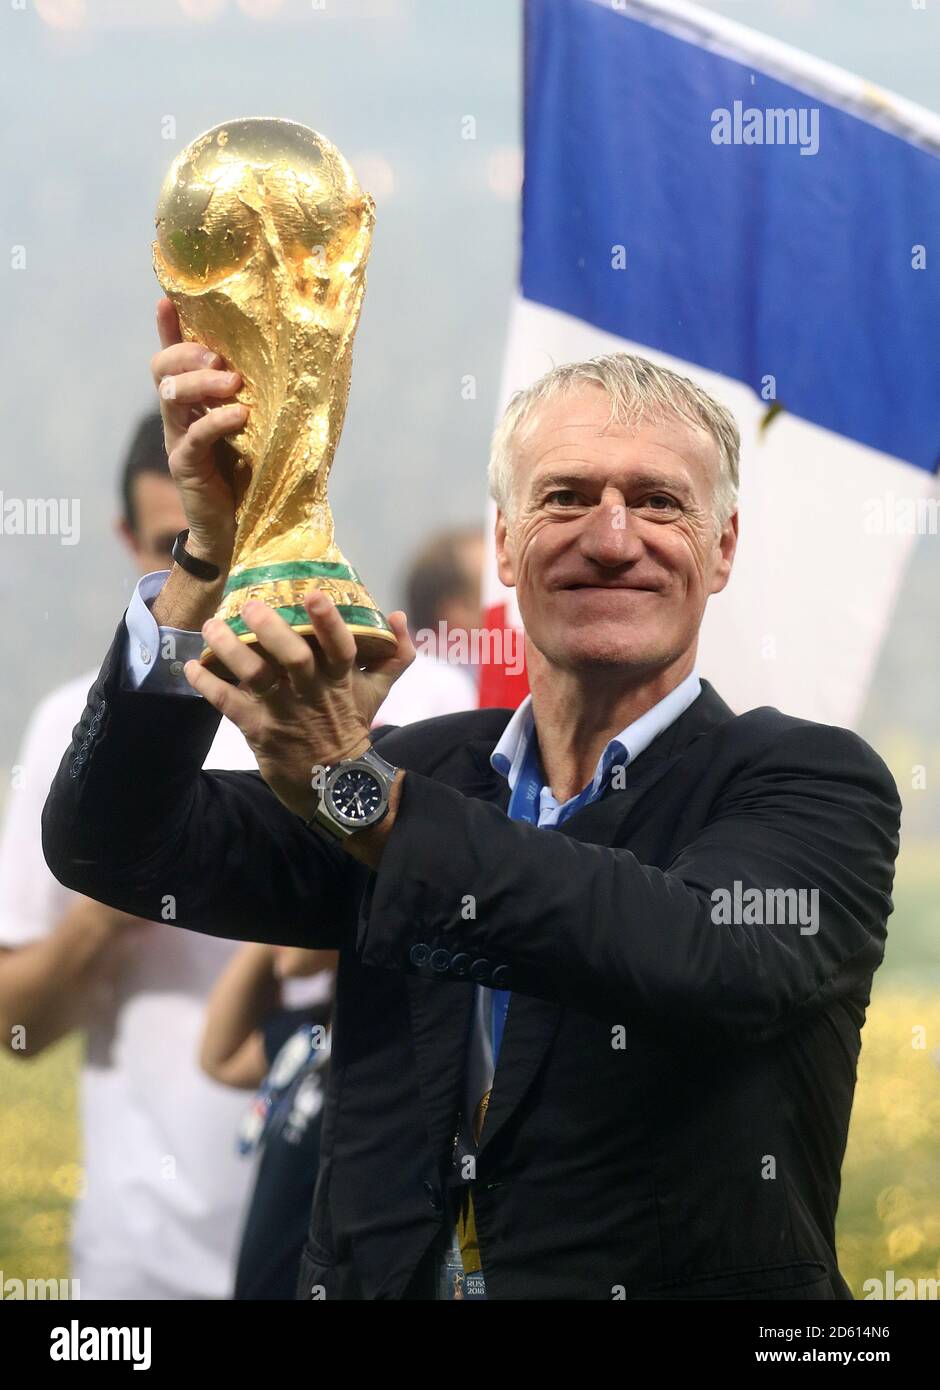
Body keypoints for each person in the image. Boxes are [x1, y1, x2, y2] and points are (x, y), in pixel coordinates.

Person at [42, 302, 901, 1300]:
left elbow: (701, 952)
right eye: (566, 497)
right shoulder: (421, 767)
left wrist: (352, 788)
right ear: (503, 542)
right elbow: (113, 845)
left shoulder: (809, 782)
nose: (612, 537)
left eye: (659, 502)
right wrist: (206, 557)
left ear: (721, 550)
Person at [0, 412, 267, 1299]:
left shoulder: (349, 716)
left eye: (232, 535)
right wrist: (117, 882)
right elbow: (17, 1028)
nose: (215, 567)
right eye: (181, 543)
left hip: (323, 1231)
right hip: (137, 1263)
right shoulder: (75, 733)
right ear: (129, 541)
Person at [199, 944, 336, 1301]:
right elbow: (220, 1058)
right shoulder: (312, 1030)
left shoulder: (387, 1054)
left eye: (298, 892)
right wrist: (265, 932)